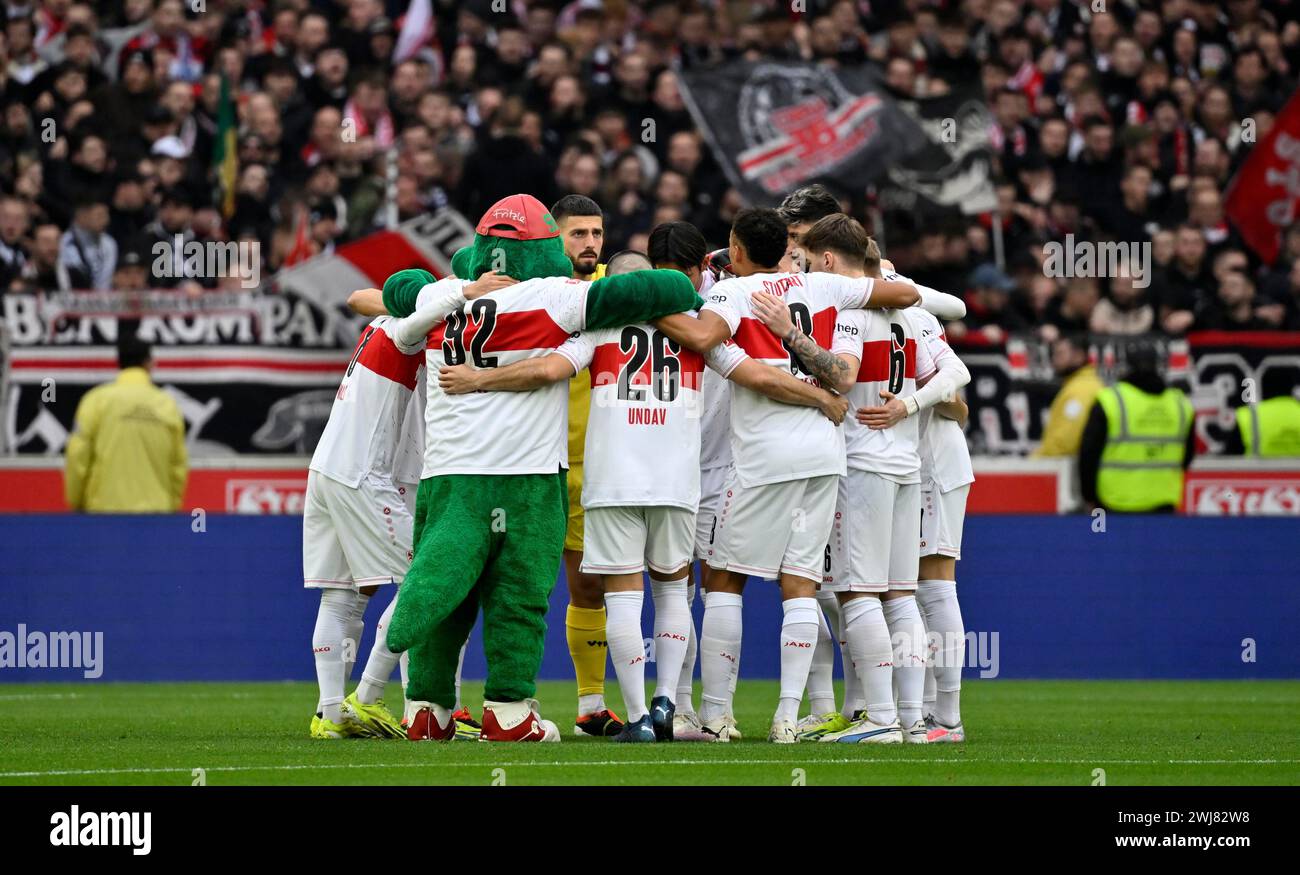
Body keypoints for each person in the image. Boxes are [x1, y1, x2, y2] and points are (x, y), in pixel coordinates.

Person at [439, 246, 848, 742]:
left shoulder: (599, 330)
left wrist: (479, 378)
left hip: (613, 483)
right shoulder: (697, 334)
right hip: (677, 482)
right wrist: (822, 396)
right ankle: (667, 702)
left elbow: (546, 371)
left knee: (624, 597)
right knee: (674, 591)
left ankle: (637, 717)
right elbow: (757, 375)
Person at [654, 208, 966, 742]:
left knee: (725, 579)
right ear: (785, 245)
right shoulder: (825, 285)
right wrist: (877, 280)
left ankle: (718, 715)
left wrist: (648, 301)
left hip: (763, 457)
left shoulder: (734, 294)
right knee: (804, 585)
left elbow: (705, 338)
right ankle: (788, 719)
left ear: (735, 248)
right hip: (828, 456)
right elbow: (908, 297)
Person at [747, 217, 970, 744]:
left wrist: (790, 334)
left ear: (829, 261)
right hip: (905, 465)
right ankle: (915, 720)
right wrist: (911, 404)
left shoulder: (851, 310)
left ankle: (881, 719)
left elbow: (841, 375)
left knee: (858, 594)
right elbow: (956, 373)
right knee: (899, 596)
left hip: (863, 462)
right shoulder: (913, 314)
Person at [548, 193, 623, 738]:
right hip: (524, 463)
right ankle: (447, 703)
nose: (590, 244)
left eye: (596, 234)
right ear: (553, 238)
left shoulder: (611, 290)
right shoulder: (529, 293)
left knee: (589, 587)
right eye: (578, 234)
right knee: (497, 587)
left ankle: (591, 705)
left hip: (588, 467)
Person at [64, 334, 188, 513]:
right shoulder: (167, 404)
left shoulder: (95, 401)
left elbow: (77, 456)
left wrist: (75, 502)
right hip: (156, 516)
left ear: (119, 363)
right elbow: (178, 466)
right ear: (149, 363)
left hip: (103, 515)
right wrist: (171, 507)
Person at [1079, 343, 1195, 514]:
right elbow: (1187, 455)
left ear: (1124, 367)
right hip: (1163, 501)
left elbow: (1089, 454)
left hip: (1114, 501)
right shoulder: (1181, 405)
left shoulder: (1111, 400)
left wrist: (1088, 495)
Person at [1034, 334, 1104, 458]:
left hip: (1061, 469)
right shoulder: (1079, 386)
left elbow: (1066, 442)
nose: (1055, 360)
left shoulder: (1081, 390)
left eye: (1060, 354)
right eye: (1054, 354)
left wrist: (1037, 460)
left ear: (1079, 356)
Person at [1223, 370, 1300, 457]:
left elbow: (1228, 461)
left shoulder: (1247, 416)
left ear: (1261, 387)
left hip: (1256, 470)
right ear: (1292, 387)